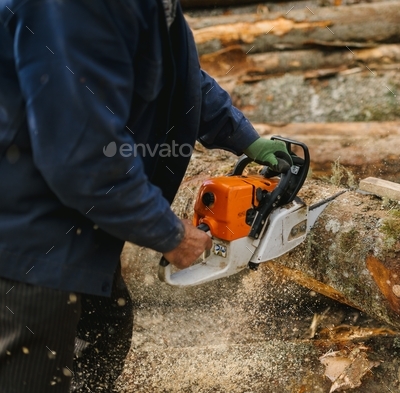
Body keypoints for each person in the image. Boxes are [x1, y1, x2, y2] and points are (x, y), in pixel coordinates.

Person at [0, 0, 292, 391]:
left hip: (76, 230)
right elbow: (83, 155)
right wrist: (170, 233)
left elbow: (178, 76)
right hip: (25, 244)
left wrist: (243, 137)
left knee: (105, 336)